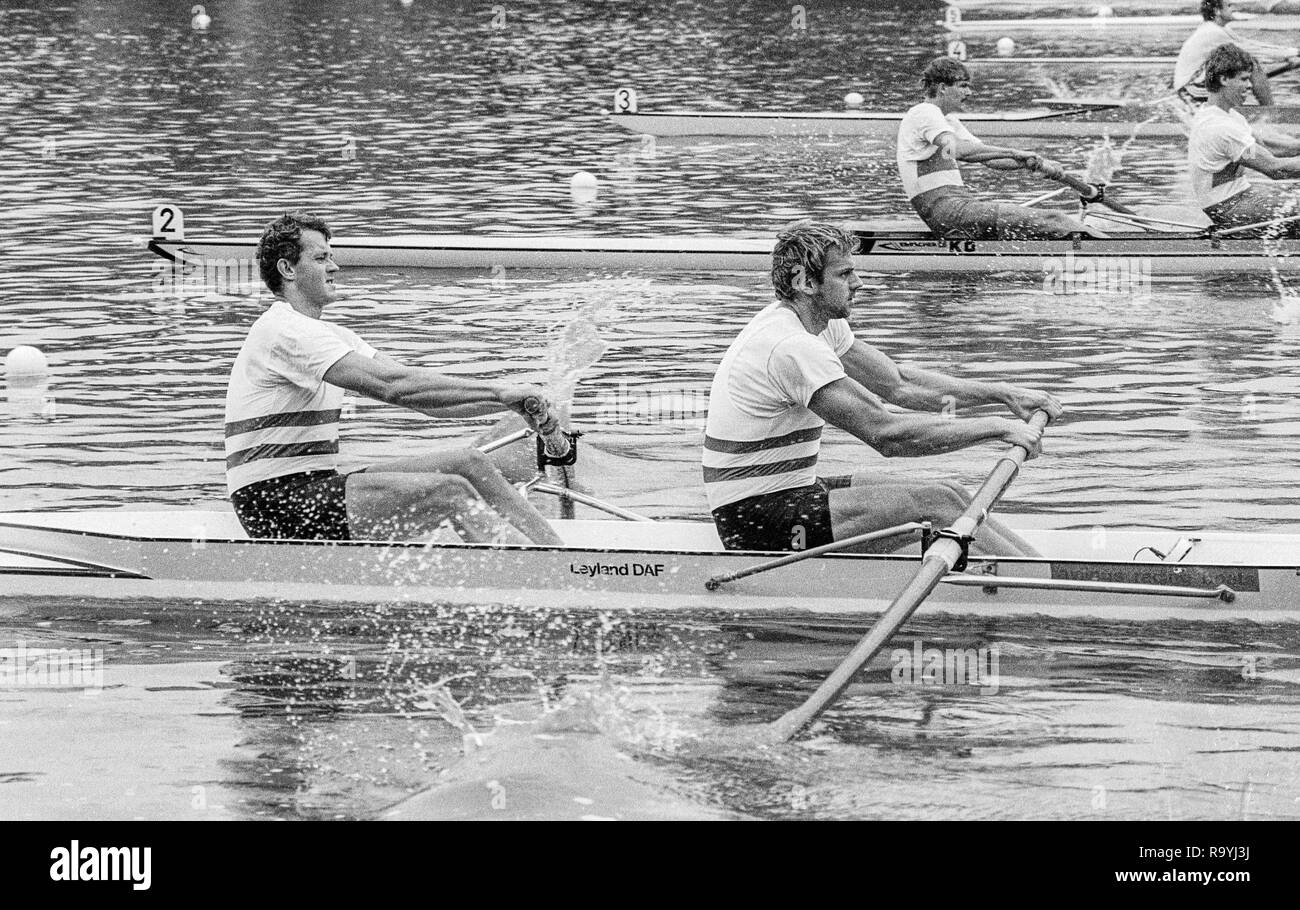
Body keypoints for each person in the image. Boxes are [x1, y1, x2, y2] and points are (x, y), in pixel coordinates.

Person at [702, 222, 1063, 557]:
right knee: (937, 504)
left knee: (952, 493)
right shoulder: (790, 346)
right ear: (805, 283)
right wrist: (998, 428)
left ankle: (1036, 565)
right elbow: (887, 435)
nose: (858, 282)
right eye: (844, 274)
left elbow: (899, 385)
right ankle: (1048, 587)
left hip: (796, 489)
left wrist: (1003, 393)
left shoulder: (820, 325)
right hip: (755, 520)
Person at [225, 211, 564, 545]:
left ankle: (560, 558)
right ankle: (525, 582)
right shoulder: (285, 330)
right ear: (288, 270)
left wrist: (508, 404)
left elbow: (429, 402)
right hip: (274, 505)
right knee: (450, 492)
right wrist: (499, 390)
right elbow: (396, 388)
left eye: (331, 257)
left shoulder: (331, 335)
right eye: (321, 258)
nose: (334, 267)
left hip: (316, 486)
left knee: (470, 462)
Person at [897, 57, 1104, 240]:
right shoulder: (924, 112)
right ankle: (1117, 250)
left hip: (959, 209)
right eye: (963, 86)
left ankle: (1091, 245)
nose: (969, 92)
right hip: (948, 212)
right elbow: (956, 150)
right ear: (943, 87)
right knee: (1055, 218)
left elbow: (989, 159)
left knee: (1052, 230)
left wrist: (1033, 163)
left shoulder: (948, 120)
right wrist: (1013, 152)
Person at [1189, 43, 1300, 236]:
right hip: (1228, 208)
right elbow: (1276, 170)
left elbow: (1265, 147)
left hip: (1241, 197)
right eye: (1244, 79)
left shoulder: (1226, 115)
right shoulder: (1222, 128)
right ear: (1224, 79)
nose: (1250, 86)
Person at [1173, 0, 1296, 106]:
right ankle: (1271, 112)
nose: (1235, 8)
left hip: (1190, 87)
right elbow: (1251, 48)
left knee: (1246, 65)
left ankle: (1264, 109)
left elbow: (1249, 45)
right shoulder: (1212, 32)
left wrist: (1289, 56)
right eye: (1229, 5)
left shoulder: (1219, 28)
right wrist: (1293, 53)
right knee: (1252, 64)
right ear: (1217, 11)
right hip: (1189, 90)